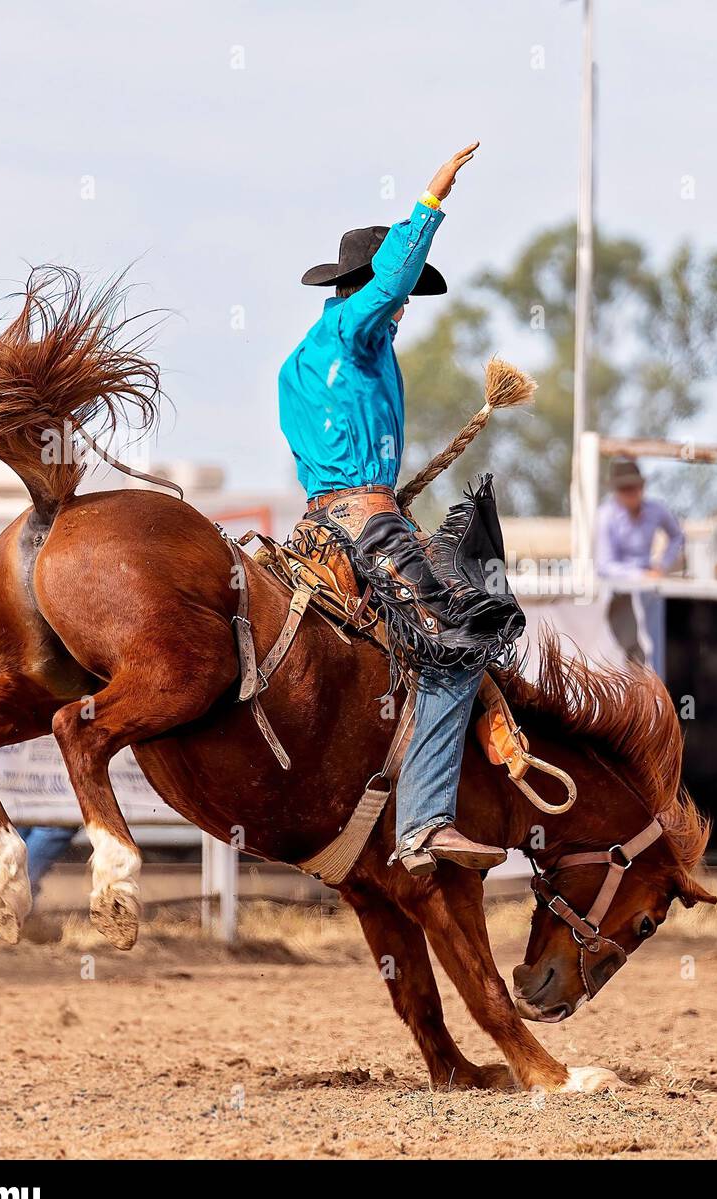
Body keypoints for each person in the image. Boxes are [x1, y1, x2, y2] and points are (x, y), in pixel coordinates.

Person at [279, 142, 522, 877]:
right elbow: (387, 287)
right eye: (399, 293)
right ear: (365, 287)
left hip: (335, 516)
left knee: (452, 618)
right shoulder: (353, 332)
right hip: (364, 521)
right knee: (454, 643)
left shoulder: (312, 355)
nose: (405, 306)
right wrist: (431, 203)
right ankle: (421, 822)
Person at [595, 458, 684, 673]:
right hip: (619, 592)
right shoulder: (606, 515)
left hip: (650, 589)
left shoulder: (656, 509)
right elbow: (604, 565)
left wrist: (661, 565)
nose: (630, 492)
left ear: (642, 487)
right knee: (628, 650)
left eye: (633, 487)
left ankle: (654, 694)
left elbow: (678, 537)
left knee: (655, 646)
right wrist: (642, 574)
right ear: (616, 491)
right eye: (624, 488)